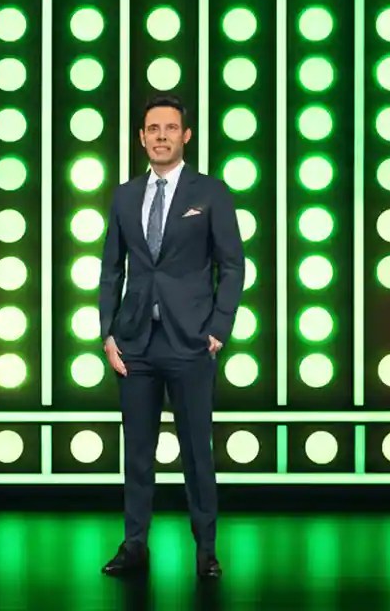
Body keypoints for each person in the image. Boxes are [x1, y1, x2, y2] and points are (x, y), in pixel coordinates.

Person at [98, 93, 245, 579]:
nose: (161, 136)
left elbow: (233, 264)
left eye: (170, 128)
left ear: (186, 135)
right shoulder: (124, 195)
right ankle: (134, 545)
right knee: (137, 454)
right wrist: (107, 333)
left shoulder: (211, 192)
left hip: (191, 341)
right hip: (135, 342)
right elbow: (110, 269)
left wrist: (219, 329)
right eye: (153, 129)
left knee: (197, 453)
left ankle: (206, 551)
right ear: (142, 137)